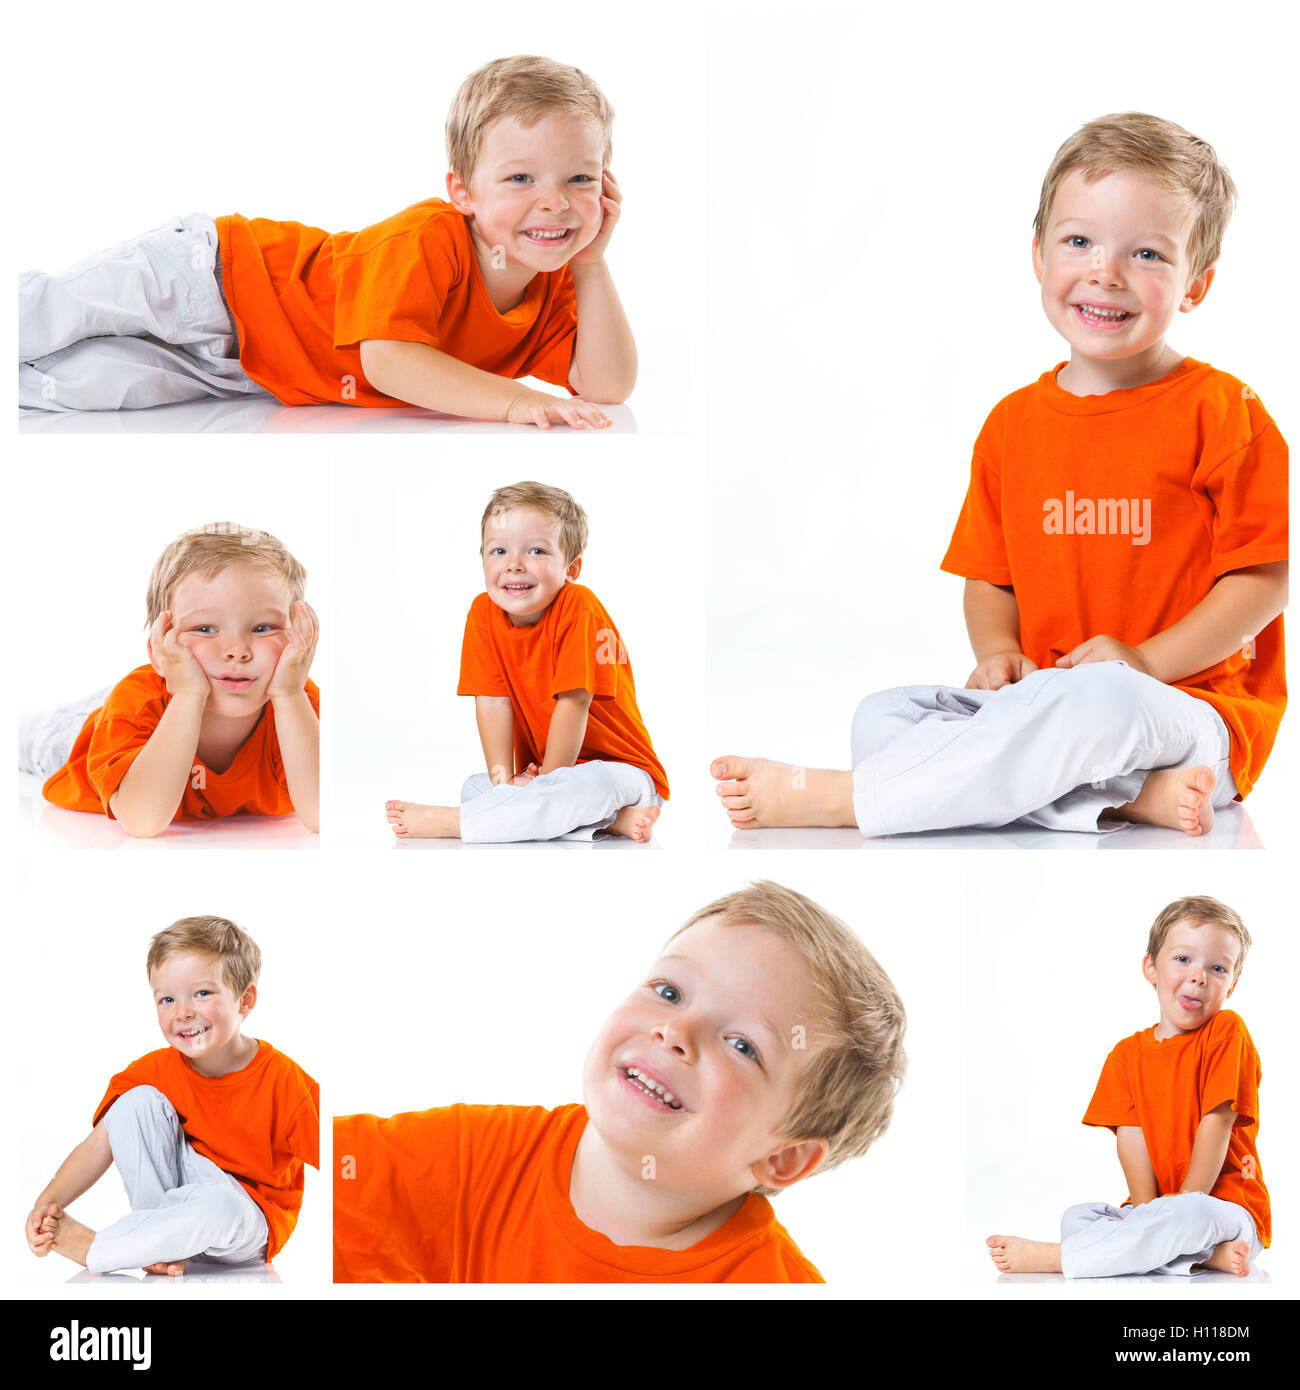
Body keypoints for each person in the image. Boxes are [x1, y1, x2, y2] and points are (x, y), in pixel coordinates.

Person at [713, 113, 1287, 838]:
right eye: (1080, 242)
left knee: (1102, 703)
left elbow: (1266, 579)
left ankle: (850, 801)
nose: (1105, 272)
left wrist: (1143, 662)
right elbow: (991, 578)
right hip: (1045, 705)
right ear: (1040, 255)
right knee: (884, 717)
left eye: (1146, 253)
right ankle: (1117, 801)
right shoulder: (1013, 423)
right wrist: (997, 656)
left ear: (1195, 286)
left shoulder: (1224, 411)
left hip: (1188, 715)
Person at [333, 881, 905, 1282]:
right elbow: (304, 1171)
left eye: (742, 1045)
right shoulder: (480, 1157)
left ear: (783, 1158)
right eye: (670, 992)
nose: (675, 1031)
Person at [19, 55, 633, 427]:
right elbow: (388, 361)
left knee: (67, 388)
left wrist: (593, 263)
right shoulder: (432, 236)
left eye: (579, 178)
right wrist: (515, 403)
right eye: (520, 178)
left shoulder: (554, 289)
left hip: (251, 371)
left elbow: (608, 387)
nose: (554, 202)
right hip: (217, 277)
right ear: (463, 191)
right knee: (41, 316)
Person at [987, 896, 1268, 1278]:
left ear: (1231, 986)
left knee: (1187, 1213)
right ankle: (1202, 1257)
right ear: (1151, 967)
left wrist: (1173, 1210)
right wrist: (1148, 1211)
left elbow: (1216, 1121)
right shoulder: (1126, 1055)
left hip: (1226, 1210)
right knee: (1079, 1217)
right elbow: (1131, 1139)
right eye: (1184, 959)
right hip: (1164, 1211)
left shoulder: (1226, 1031)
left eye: (1217, 968)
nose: (1199, 976)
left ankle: (1059, 1259)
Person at [27, 917, 319, 1276]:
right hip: (175, 1205)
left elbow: (338, 1157)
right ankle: (158, 1249)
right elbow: (97, 1146)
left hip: (245, 1218)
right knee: (134, 1102)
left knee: (218, 1204)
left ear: (245, 1000)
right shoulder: (153, 1071)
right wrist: (46, 1205)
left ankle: (98, 1248)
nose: (183, 1012)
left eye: (202, 993)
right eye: (167, 999)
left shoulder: (283, 1079)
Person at [386, 481, 667, 842]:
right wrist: (506, 787)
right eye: (499, 551)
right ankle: (611, 823)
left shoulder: (578, 607)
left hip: (623, 773)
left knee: (575, 789)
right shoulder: (483, 613)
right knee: (478, 788)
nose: (514, 565)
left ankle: (453, 824)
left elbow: (573, 703)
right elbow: (492, 703)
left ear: (572, 568)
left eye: (536, 551)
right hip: (549, 772)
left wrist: (547, 783)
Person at [26, 522, 320, 835]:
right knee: (27, 735)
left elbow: (321, 813)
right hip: (77, 737)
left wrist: (290, 695)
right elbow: (143, 820)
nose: (237, 651)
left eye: (262, 628)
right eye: (205, 629)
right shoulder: (137, 704)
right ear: (159, 650)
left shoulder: (297, 701)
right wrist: (188, 695)